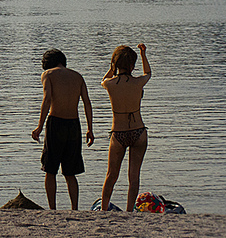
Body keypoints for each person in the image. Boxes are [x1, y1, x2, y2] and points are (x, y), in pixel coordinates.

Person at [31, 49, 95, 210]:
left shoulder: (48, 75)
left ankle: (52, 209)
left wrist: (39, 126)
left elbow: (47, 100)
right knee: (70, 172)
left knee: (50, 170)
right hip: (74, 125)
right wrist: (90, 129)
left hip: (56, 124)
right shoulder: (77, 76)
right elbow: (87, 103)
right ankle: (75, 208)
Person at [100, 43, 152, 212]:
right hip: (138, 132)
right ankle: (130, 211)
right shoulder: (138, 83)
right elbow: (148, 73)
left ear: (115, 64)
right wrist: (143, 54)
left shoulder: (110, 84)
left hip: (118, 133)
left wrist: (111, 67)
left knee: (111, 176)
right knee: (134, 176)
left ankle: (104, 209)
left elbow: (103, 80)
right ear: (132, 65)